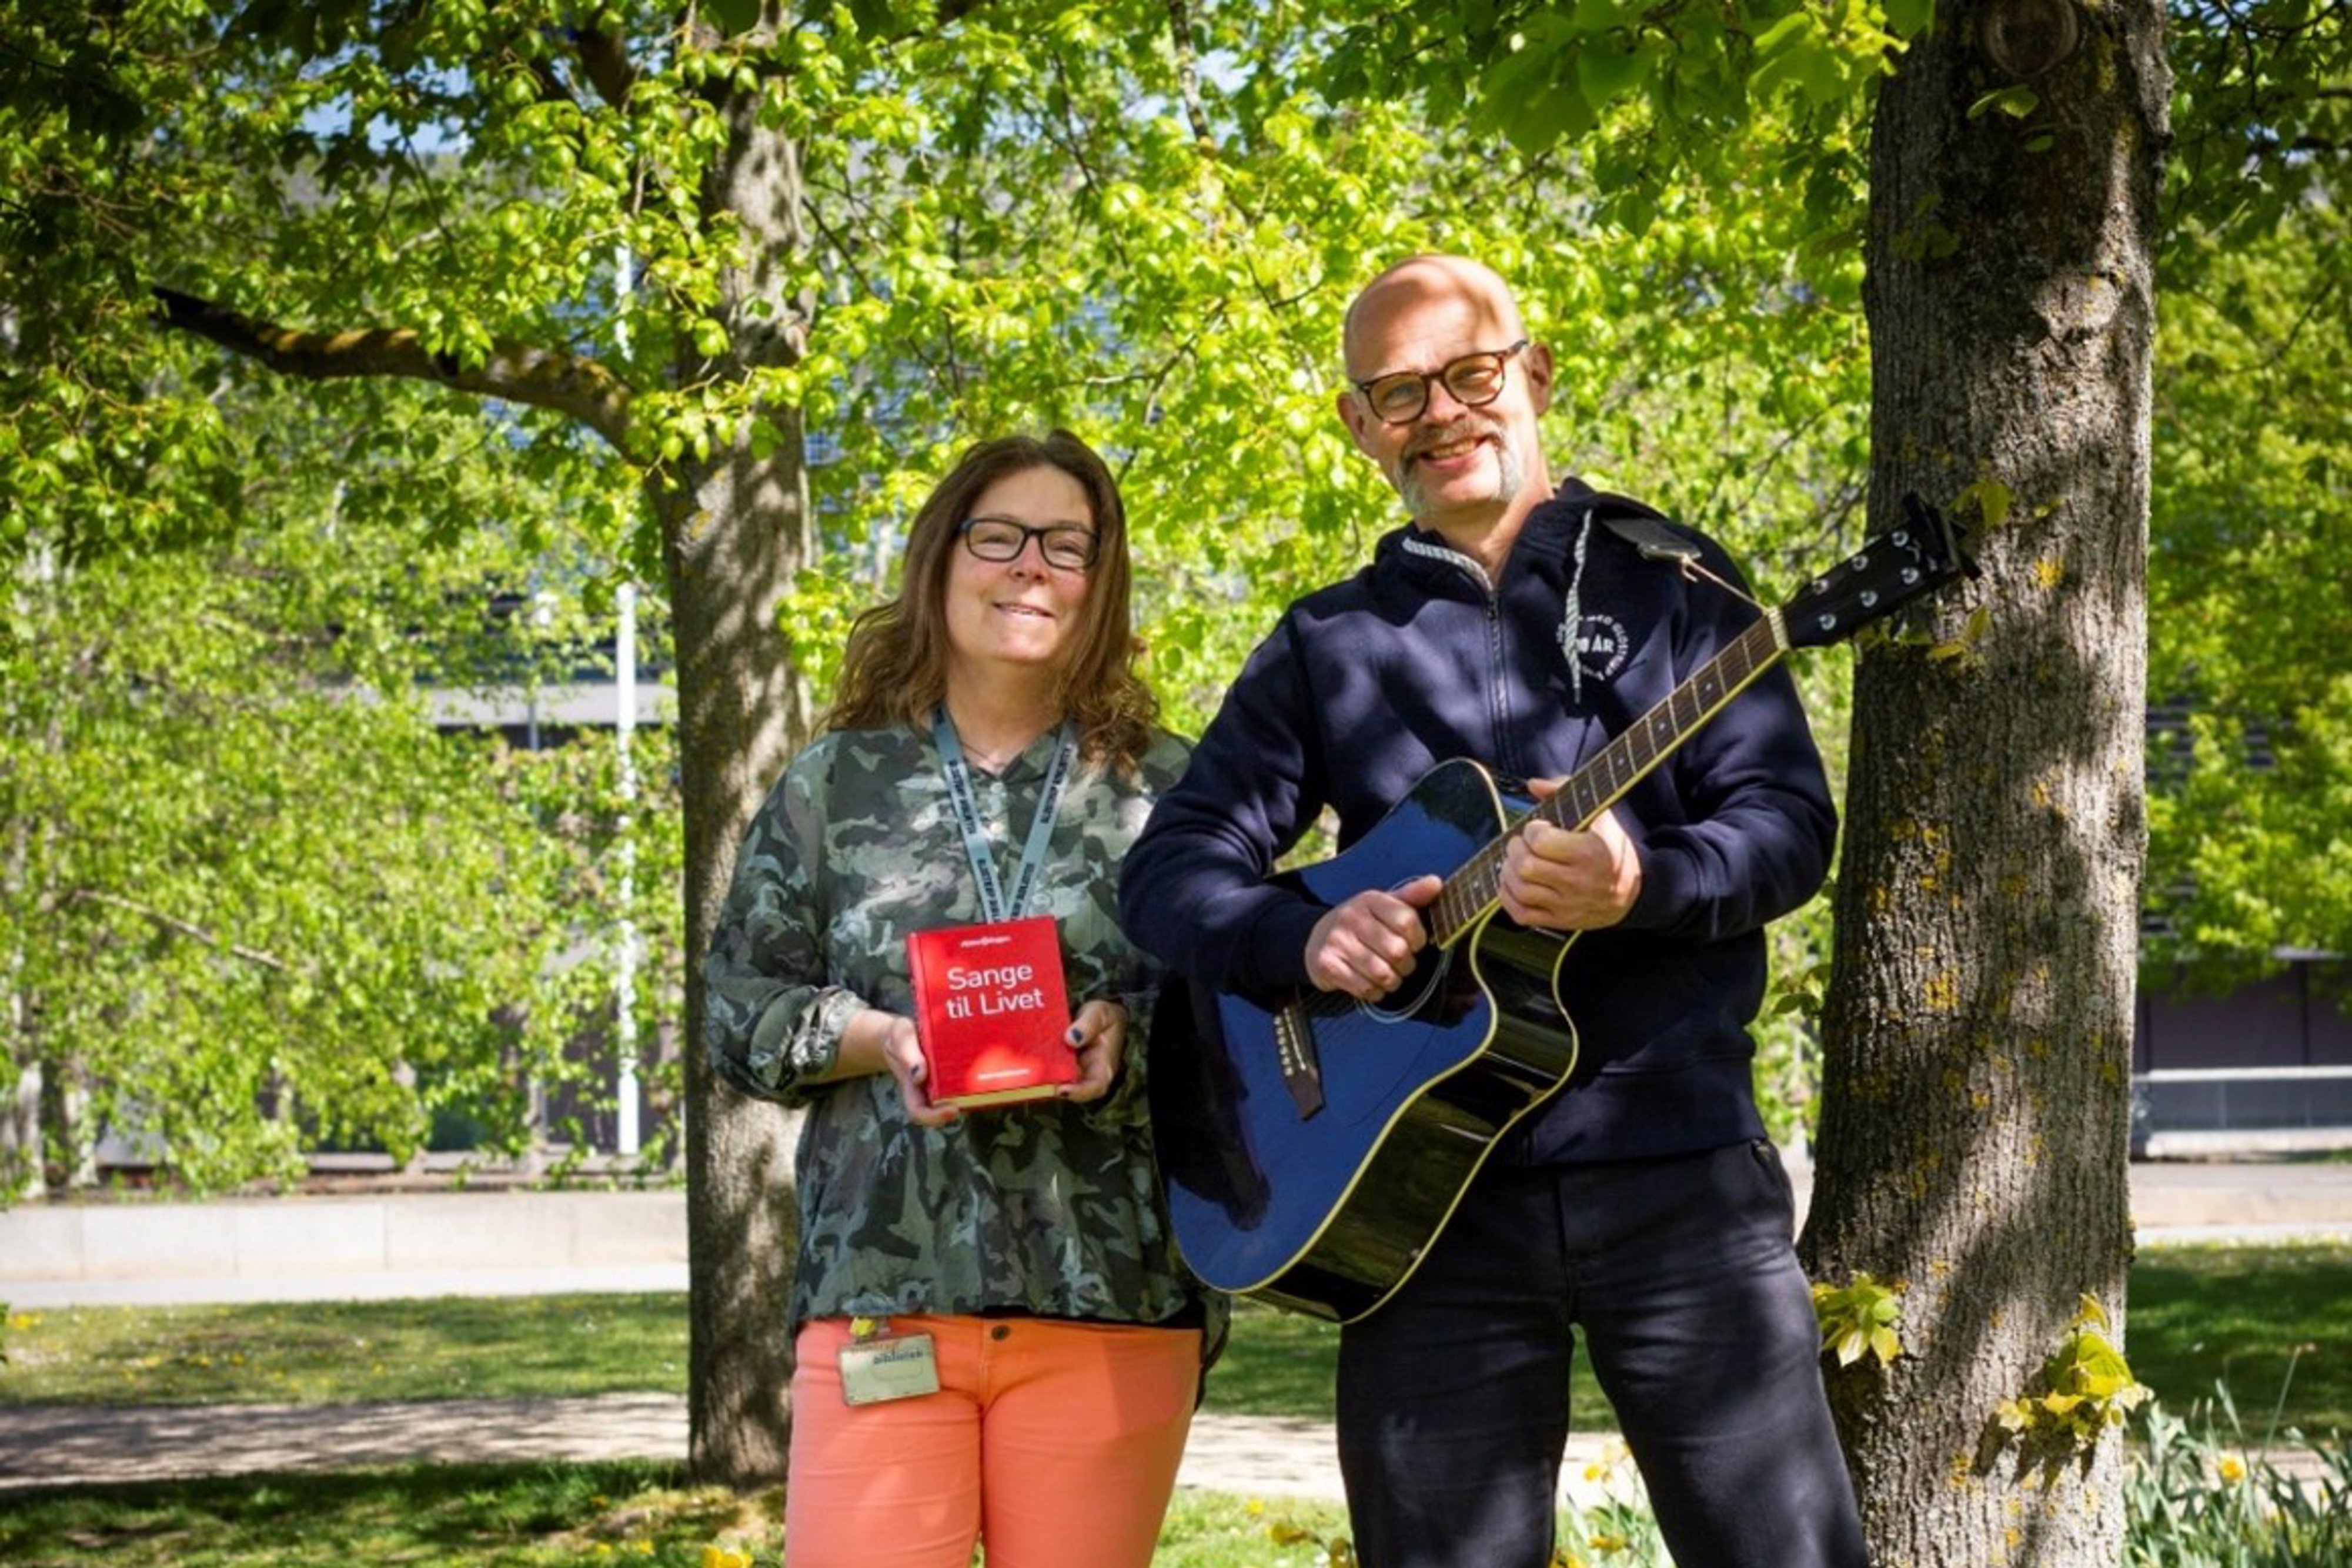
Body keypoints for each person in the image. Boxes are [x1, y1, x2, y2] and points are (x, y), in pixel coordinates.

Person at [1118, 256, 1870, 1568]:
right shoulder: (1326, 642)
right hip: (1418, 1203)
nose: (1442, 412)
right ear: (1359, 425)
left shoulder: (1679, 587)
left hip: (1674, 1167)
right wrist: (1302, 936)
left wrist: (1644, 885)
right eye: (1398, 391)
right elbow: (1171, 870)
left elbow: (1786, 829)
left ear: (1531, 374)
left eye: (1468, 373)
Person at [705, 430, 1218, 1568]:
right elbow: (736, 1015)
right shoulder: (833, 786)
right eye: (1000, 537)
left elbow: (1247, 1020)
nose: (1031, 567)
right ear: (943, 561)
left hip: (1112, 1299)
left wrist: (1128, 1036)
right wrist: (876, 1036)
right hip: (885, 1298)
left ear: (1104, 579)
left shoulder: (1173, 790)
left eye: (1068, 546)